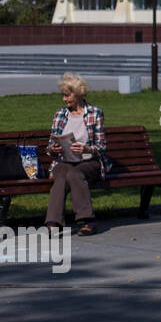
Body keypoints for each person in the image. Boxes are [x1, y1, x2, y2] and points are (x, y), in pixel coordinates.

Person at [44, 73, 112, 235]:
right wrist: (53, 149)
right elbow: (49, 147)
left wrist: (87, 149)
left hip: (89, 161)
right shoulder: (60, 115)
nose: (64, 99)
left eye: (67, 95)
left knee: (75, 174)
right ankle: (54, 224)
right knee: (61, 174)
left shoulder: (95, 113)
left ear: (78, 93)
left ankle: (87, 220)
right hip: (64, 160)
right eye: (63, 95)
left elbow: (102, 146)